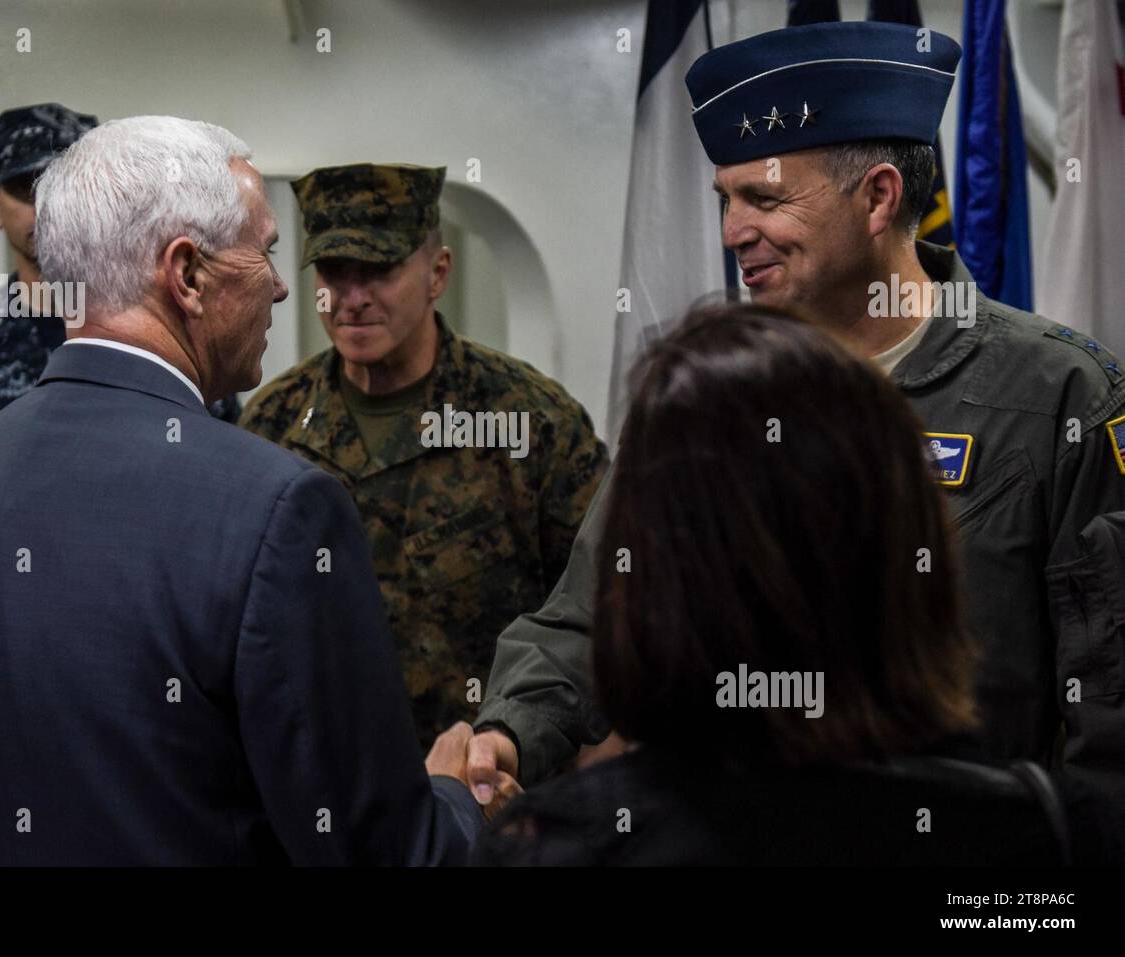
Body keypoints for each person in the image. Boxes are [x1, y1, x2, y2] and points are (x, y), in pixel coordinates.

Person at [467, 21, 1125, 803]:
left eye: (764, 198)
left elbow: (1107, 703)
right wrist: (507, 730)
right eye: (725, 199)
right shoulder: (712, 396)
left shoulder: (1059, 394)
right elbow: (590, 614)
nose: (733, 232)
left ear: (878, 195)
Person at [0, 116, 495, 866]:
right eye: (263, 251)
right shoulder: (280, 508)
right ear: (187, 274)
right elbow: (381, 853)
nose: (287, 285)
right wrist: (455, 794)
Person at [472, 304, 1089, 865]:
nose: (738, 229)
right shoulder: (1044, 838)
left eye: (767, 195)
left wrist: (459, 793)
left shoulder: (557, 845)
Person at [241, 164, 608, 748]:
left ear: (437, 273)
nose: (353, 300)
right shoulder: (271, 423)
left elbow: (599, 613)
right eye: (336, 272)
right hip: (326, 783)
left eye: (380, 272)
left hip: (489, 779)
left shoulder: (529, 419)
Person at [0, 103, 240, 478]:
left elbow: (223, 467)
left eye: (62, 187)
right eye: (27, 189)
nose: (44, 205)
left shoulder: (166, 330)